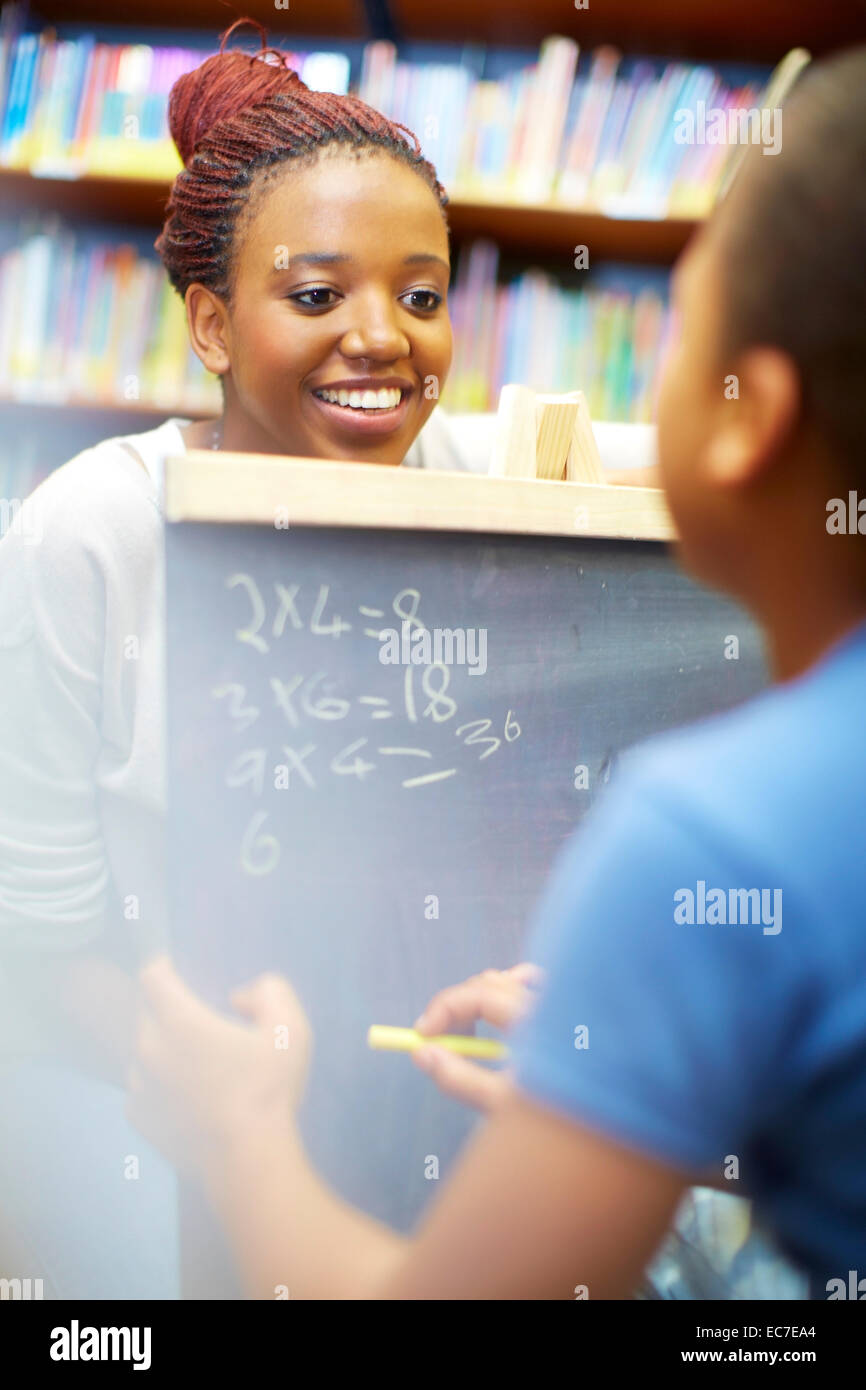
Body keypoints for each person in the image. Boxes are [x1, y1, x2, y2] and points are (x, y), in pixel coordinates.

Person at [128, 47, 866, 1299]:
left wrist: (239, 1134)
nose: (381, 338)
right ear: (209, 321)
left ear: (750, 414)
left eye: (679, 332)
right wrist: (671, 1070)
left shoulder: (709, 839)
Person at [0, 19, 466, 1297]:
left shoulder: (480, 491)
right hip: (150, 1092)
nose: (383, 337)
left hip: (431, 1090)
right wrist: (230, 1098)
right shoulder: (91, 531)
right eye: (315, 294)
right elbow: (38, 936)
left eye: (421, 295)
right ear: (209, 324)